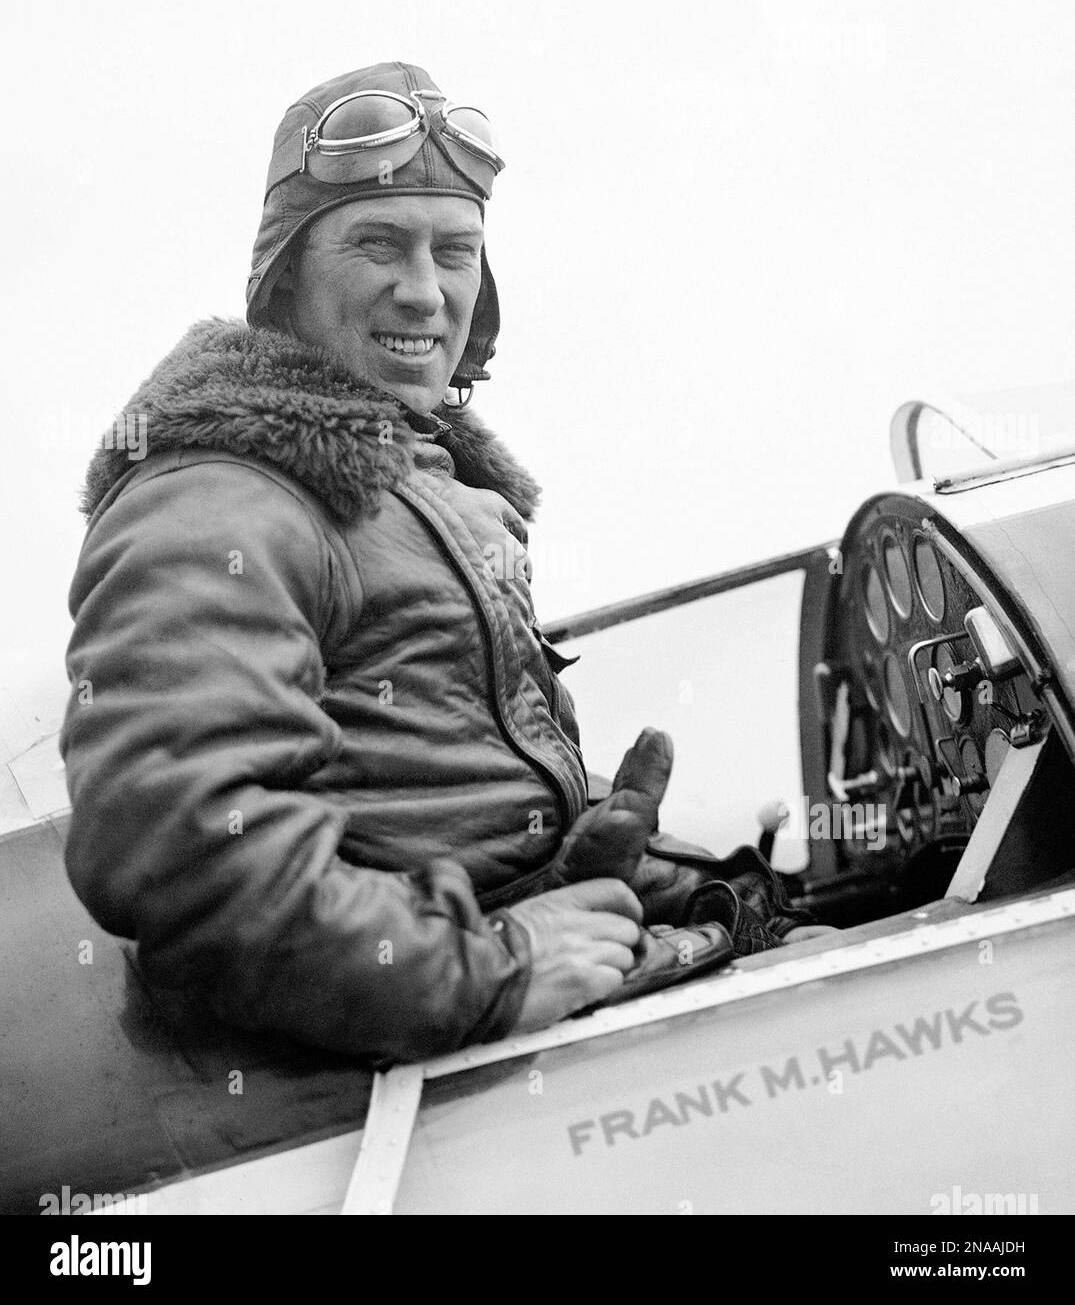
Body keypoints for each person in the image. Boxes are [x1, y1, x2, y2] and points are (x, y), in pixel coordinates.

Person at [61, 62, 829, 1067]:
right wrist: (493, 966)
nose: (424, 290)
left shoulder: (414, 489)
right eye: (377, 243)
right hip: (390, 1089)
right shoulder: (220, 498)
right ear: (285, 273)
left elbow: (413, 792)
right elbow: (188, 849)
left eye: (454, 250)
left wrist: (585, 871)